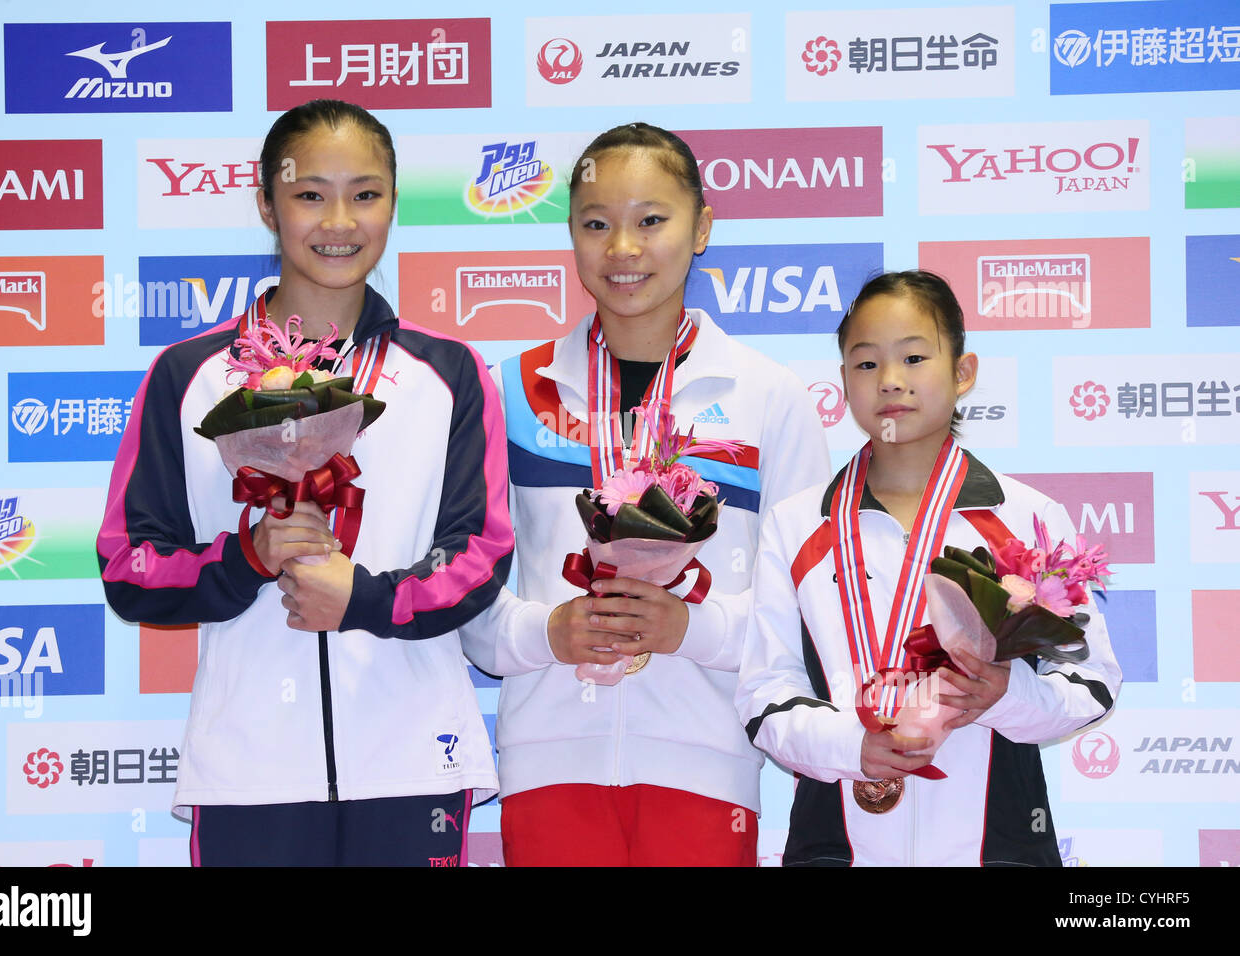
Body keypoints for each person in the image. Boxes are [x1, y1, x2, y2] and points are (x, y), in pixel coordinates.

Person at [96, 99, 513, 866]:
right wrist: (245, 558)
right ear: (266, 202)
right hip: (249, 769)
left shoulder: (450, 374)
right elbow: (130, 567)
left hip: (413, 756)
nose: (339, 222)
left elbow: (480, 556)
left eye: (365, 193)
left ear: (393, 201)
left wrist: (365, 598)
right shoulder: (189, 375)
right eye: (309, 193)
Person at [460, 123, 829, 866]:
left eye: (651, 220)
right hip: (546, 761)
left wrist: (688, 629)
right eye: (596, 224)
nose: (622, 249)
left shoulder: (769, 398)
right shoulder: (507, 393)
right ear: (570, 235)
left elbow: (807, 609)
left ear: (702, 229)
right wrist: (547, 632)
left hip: (707, 761)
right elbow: (464, 597)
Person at [736, 270, 1121, 866]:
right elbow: (764, 694)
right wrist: (852, 744)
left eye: (914, 357)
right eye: (866, 365)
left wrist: (1004, 694)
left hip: (1000, 848)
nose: (890, 381)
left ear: (963, 372)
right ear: (842, 383)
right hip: (836, 847)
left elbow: (1093, 684)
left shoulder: (1028, 521)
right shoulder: (795, 526)